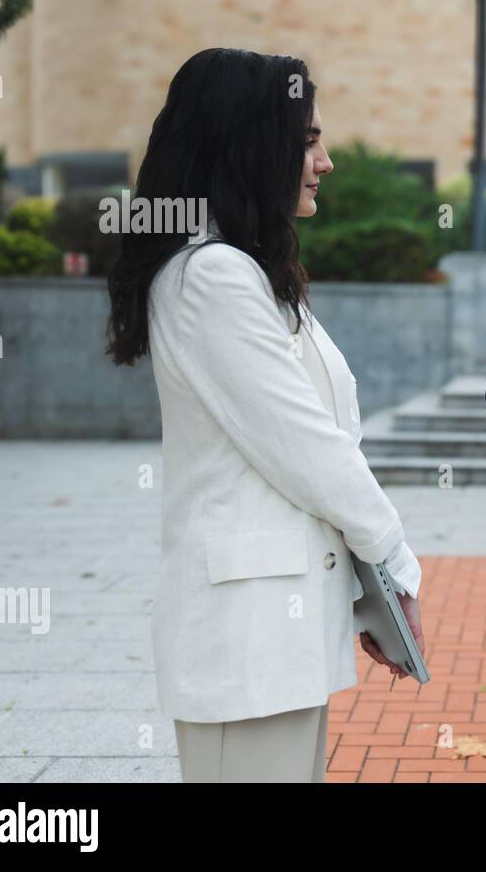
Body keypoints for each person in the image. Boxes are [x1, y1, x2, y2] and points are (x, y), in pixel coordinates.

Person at [106, 48, 423, 782]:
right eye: (309, 139)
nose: (327, 160)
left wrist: (363, 591)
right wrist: (396, 566)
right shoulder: (212, 277)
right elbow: (308, 449)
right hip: (244, 646)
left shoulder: (247, 271)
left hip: (278, 639)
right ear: (251, 143)